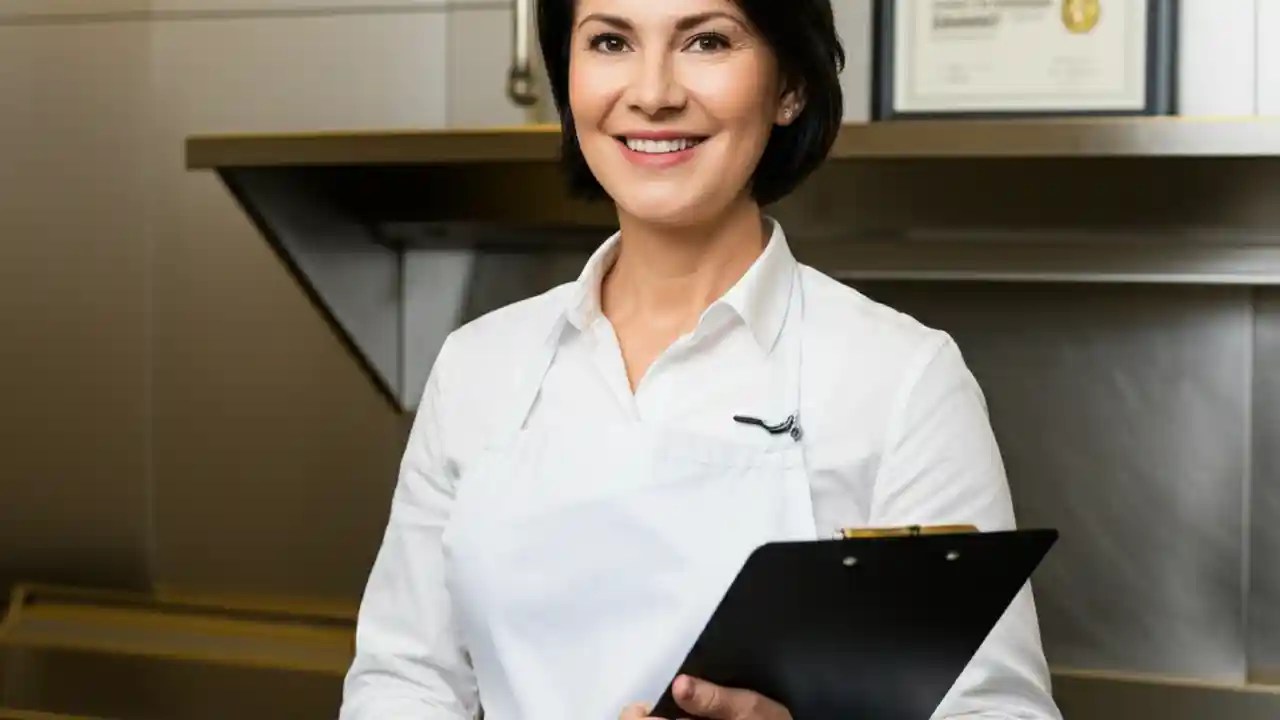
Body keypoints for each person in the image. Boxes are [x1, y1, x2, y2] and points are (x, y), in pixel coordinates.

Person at [340, 0, 1063, 718]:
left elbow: (997, 712)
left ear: (790, 87)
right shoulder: (478, 365)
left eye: (708, 40)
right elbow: (404, 682)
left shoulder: (901, 377)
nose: (653, 93)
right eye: (611, 41)